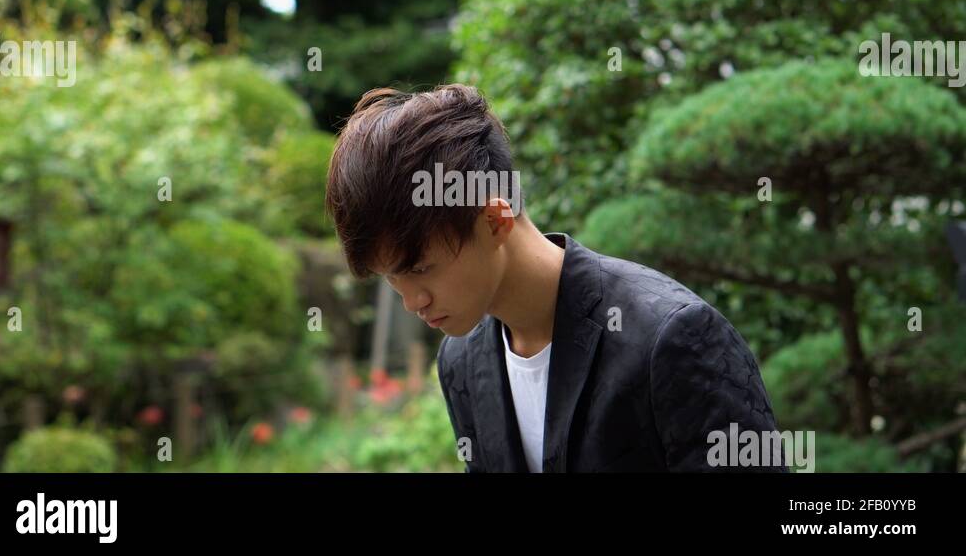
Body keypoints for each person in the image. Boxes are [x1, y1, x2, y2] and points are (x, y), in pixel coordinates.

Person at [325, 83, 787, 473]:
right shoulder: (461, 360)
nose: (412, 301)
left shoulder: (671, 336)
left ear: (494, 219)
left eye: (420, 269)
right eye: (390, 278)